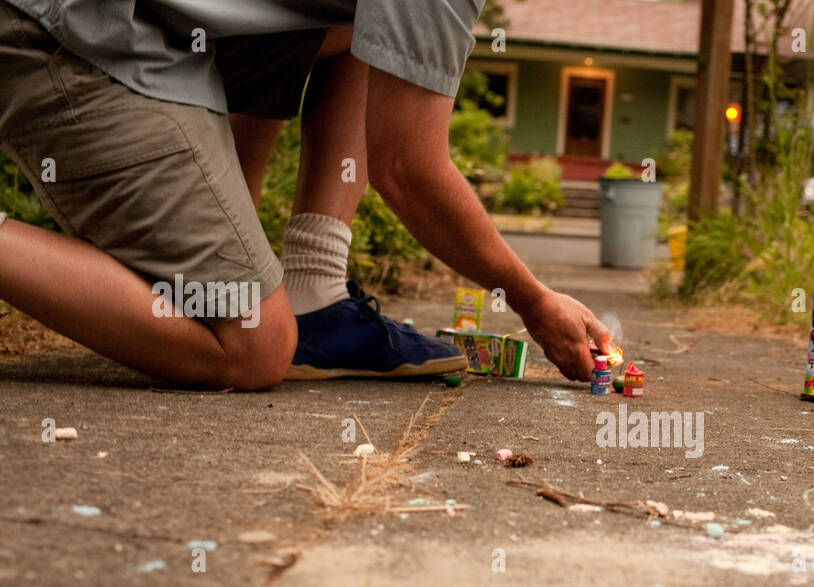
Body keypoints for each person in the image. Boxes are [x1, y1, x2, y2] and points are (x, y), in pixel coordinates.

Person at [0, 0, 610, 389]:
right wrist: (533, 301)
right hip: (65, 36)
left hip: (145, 28)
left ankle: (315, 291)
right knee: (253, 345)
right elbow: (408, 169)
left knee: (366, 29)